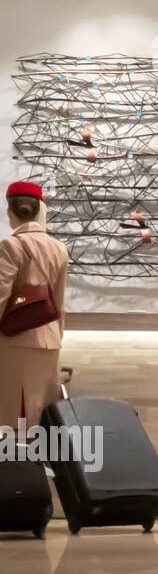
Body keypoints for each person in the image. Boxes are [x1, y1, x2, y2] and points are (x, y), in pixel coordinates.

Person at [0, 181, 69, 430]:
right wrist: (57, 335)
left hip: (15, 342)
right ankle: (40, 454)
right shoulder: (59, 248)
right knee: (42, 414)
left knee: (14, 415)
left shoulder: (11, 246)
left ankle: (15, 456)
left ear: (10, 212)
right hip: (50, 340)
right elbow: (59, 302)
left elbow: (1, 296)